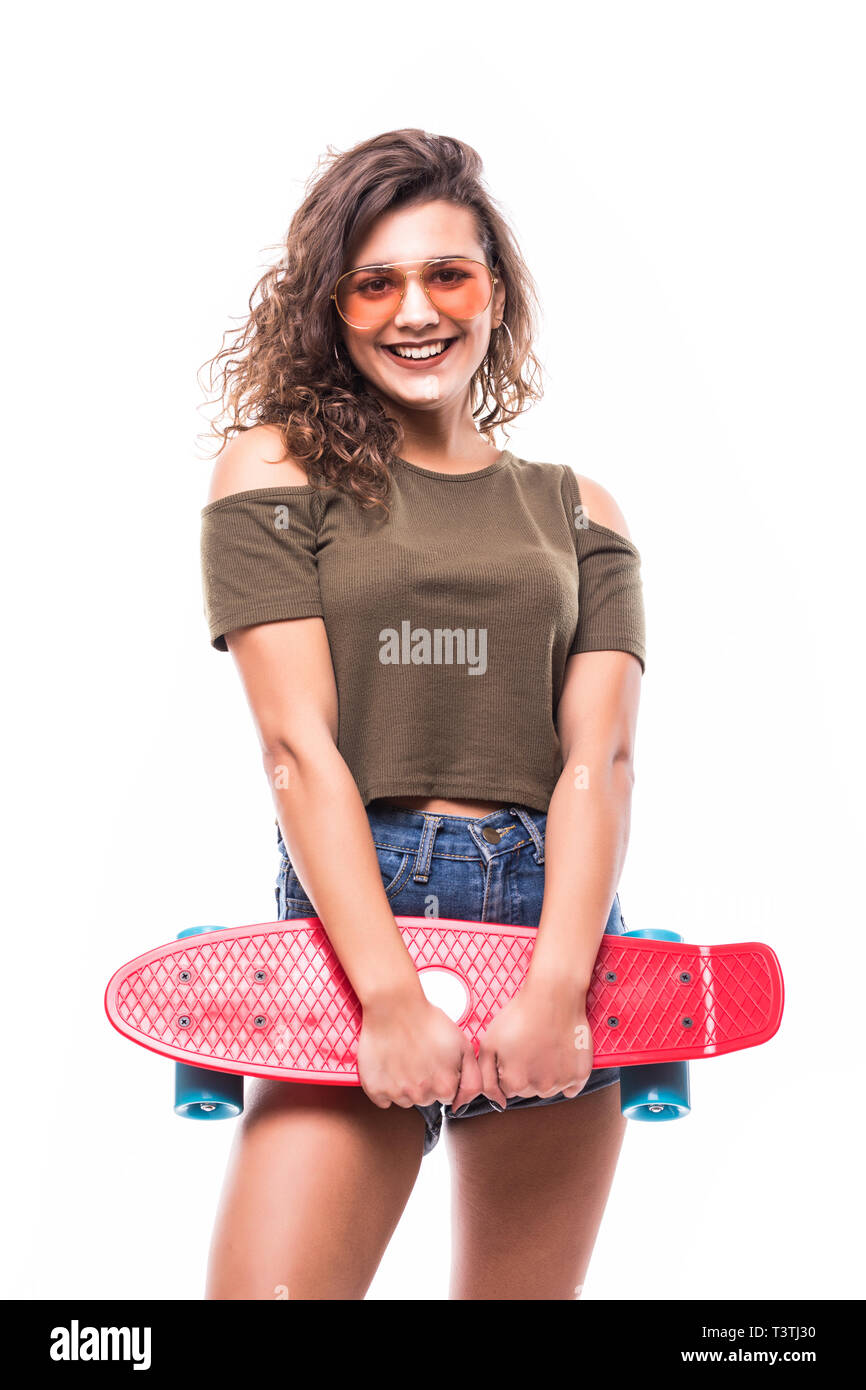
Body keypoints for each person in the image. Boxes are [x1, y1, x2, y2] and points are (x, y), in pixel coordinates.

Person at [198, 129, 646, 1300]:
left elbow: (597, 754)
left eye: (447, 273)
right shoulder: (274, 470)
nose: (415, 309)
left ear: (493, 288)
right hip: (357, 930)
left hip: (554, 923)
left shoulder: (580, 507)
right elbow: (296, 749)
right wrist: (388, 994)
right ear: (333, 306)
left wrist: (557, 986)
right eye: (375, 281)